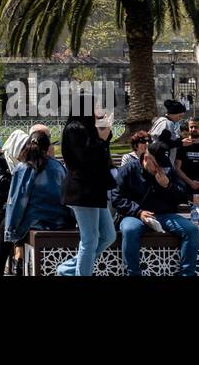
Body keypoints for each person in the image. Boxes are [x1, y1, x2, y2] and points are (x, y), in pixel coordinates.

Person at [113, 133, 199, 276]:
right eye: (157, 166)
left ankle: (187, 274)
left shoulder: (166, 169)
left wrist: (168, 185)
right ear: (146, 159)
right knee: (129, 230)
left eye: (163, 168)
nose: (159, 170)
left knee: (191, 230)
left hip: (164, 214)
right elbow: (117, 198)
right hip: (135, 215)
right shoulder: (128, 169)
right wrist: (138, 212)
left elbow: (183, 195)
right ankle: (133, 273)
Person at [1, 131, 72, 274]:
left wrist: (10, 230)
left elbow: (16, 202)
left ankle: (18, 257)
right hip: (60, 222)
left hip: (34, 222)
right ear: (47, 148)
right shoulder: (58, 167)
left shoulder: (23, 168)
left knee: (17, 225)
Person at [57, 111, 117, 276]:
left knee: (108, 235)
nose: (97, 111)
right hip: (81, 191)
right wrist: (102, 138)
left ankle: (68, 269)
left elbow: (101, 155)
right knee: (89, 240)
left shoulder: (90, 128)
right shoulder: (74, 129)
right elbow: (85, 158)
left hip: (95, 190)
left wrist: (104, 134)